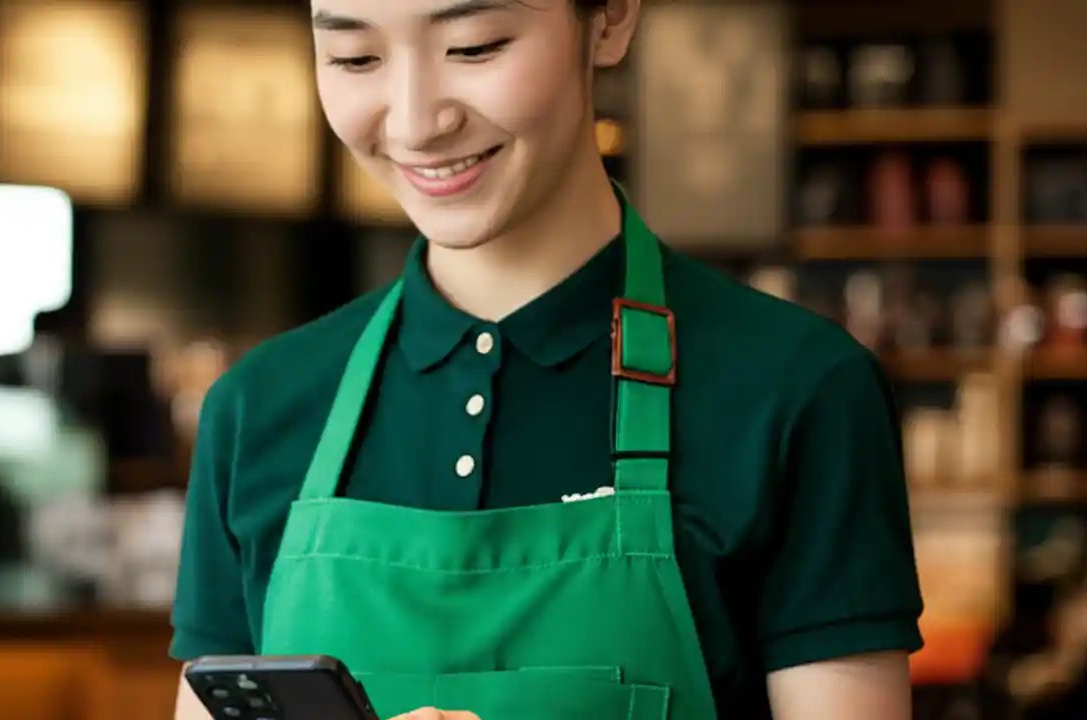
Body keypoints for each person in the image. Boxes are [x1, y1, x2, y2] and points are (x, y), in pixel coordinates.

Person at [170, 0, 925, 718]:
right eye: (355, 57)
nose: (416, 123)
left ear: (611, 17)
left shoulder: (799, 392)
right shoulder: (256, 410)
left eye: (473, 47)